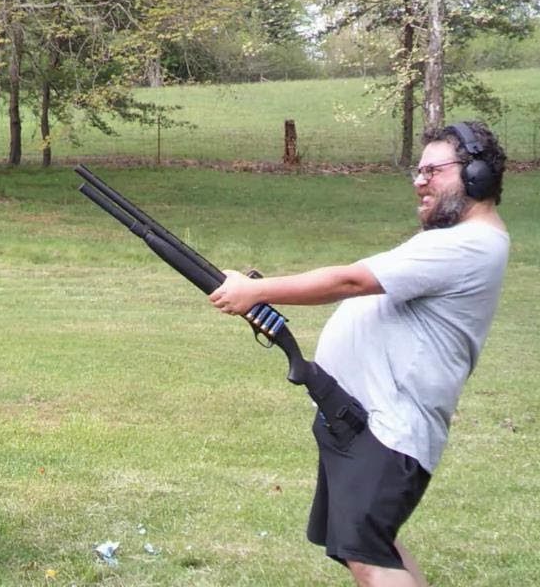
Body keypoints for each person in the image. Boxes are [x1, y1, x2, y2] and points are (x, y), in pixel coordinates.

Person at [207, 121, 510, 587]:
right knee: (370, 547)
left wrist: (255, 291)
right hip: (365, 421)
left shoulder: (469, 245)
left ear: (477, 175)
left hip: (389, 430)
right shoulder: (460, 242)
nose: (419, 180)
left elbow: (350, 281)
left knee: (369, 558)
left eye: (433, 170)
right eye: (418, 169)